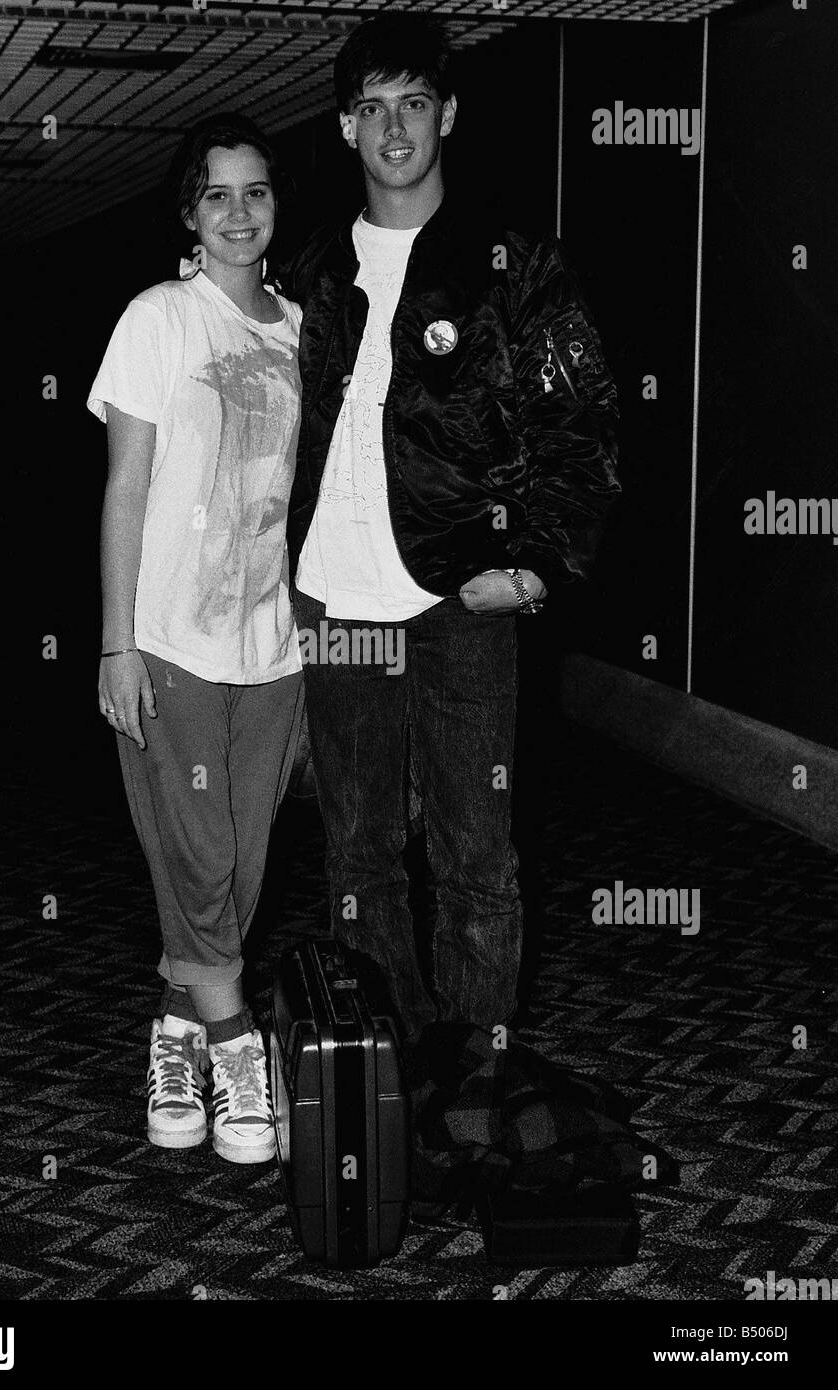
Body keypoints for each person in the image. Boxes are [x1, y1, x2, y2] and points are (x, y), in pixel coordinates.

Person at [283, 14, 621, 1041]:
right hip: (337, 600)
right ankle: (390, 1075)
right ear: (345, 128)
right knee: (359, 853)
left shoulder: (514, 264)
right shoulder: (308, 273)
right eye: (372, 108)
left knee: (476, 855)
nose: (394, 128)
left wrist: (535, 565)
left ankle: (478, 1081)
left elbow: (585, 419)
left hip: (457, 596)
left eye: (414, 104)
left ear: (449, 115)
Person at [87, 115, 305, 1160]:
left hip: (272, 651)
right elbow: (124, 488)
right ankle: (234, 1049)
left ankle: (174, 1023)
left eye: (254, 191)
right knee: (199, 854)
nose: (237, 211)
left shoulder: (301, 332)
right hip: (170, 639)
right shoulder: (158, 319)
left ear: (274, 205)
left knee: (240, 874)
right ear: (189, 212)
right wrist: (114, 643)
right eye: (215, 194)